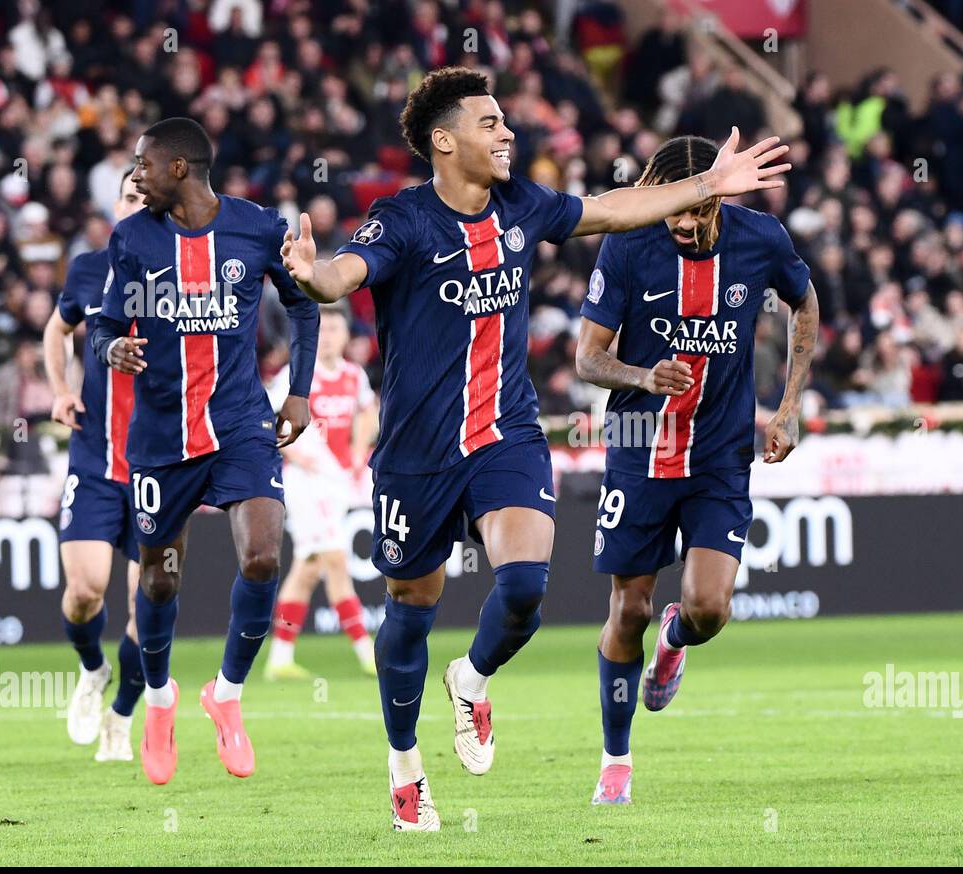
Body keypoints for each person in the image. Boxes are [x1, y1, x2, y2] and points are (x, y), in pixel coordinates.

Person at [281, 67, 790, 831]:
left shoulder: (523, 205)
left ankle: (473, 677)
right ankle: (405, 768)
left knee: (522, 588)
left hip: (506, 434)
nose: (507, 132)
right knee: (412, 610)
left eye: (505, 120)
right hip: (417, 454)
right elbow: (344, 272)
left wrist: (706, 183)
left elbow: (616, 209)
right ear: (444, 142)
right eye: (490, 123)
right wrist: (312, 278)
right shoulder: (404, 221)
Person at [575, 135, 818, 805]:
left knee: (708, 609)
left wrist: (789, 406)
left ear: (724, 195)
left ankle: (675, 643)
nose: (683, 222)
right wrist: (641, 375)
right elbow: (587, 360)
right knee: (629, 609)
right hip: (638, 450)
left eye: (698, 210)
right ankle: (616, 762)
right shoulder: (628, 244)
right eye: (677, 210)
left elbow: (806, 303)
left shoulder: (760, 239)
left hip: (717, 456)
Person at [91, 117, 319, 785]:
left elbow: (304, 307)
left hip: (241, 425)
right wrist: (113, 346)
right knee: (159, 577)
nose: (136, 175)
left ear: (181, 169)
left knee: (263, 553)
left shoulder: (256, 227)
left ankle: (226, 693)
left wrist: (299, 393)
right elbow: (105, 323)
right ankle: (160, 701)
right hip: (162, 439)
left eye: (145, 164)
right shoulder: (132, 238)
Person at [42, 167, 145, 760]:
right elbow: (57, 331)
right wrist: (59, 387)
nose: (135, 205)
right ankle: (92, 669)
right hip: (96, 459)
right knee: (83, 592)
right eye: (127, 197)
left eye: (143, 197)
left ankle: (122, 718)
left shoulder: (181, 269)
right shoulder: (88, 269)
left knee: (145, 608)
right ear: (114, 204)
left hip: (160, 467)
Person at [265, 306, 378, 679]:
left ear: (347, 335)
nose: (327, 334)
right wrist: (291, 450)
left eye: (334, 328)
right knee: (335, 562)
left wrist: (360, 450)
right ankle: (368, 652)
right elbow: (268, 418)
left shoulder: (354, 376)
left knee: (307, 569)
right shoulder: (295, 375)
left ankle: (279, 658)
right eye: (322, 328)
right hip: (305, 481)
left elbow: (368, 413)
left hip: (337, 480)